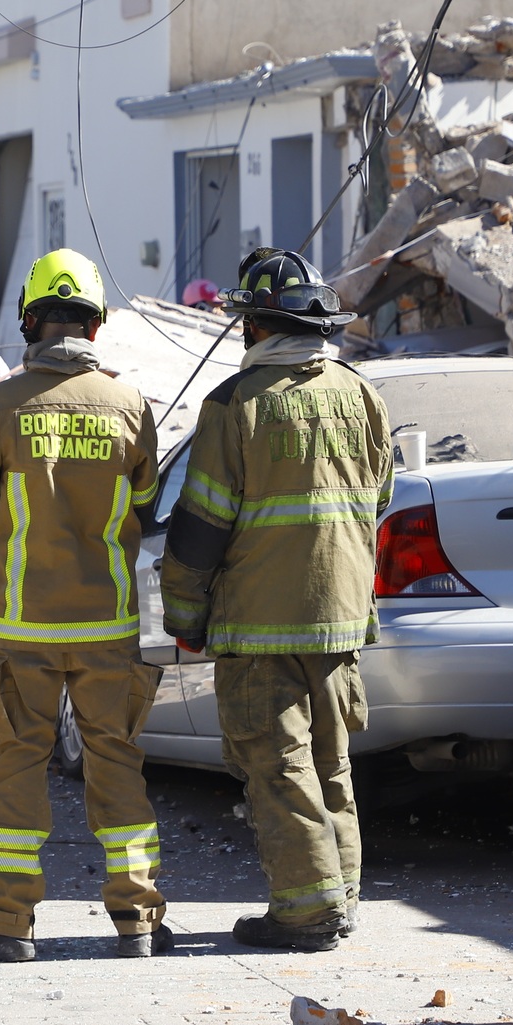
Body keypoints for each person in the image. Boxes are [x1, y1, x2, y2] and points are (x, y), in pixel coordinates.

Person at [0, 249, 170, 964]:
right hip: (107, 625)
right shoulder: (130, 405)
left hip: (23, 624)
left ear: (29, 322)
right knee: (116, 760)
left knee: (18, 762)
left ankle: (7, 922)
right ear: (95, 327)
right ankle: (138, 919)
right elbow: (146, 507)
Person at [160, 247, 392, 954]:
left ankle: (305, 911)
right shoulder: (361, 394)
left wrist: (184, 614)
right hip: (340, 619)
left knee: (278, 762)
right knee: (332, 761)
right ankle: (340, 898)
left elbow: (201, 525)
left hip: (261, 625)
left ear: (255, 326)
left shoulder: (236, 404)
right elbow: (379, 496)